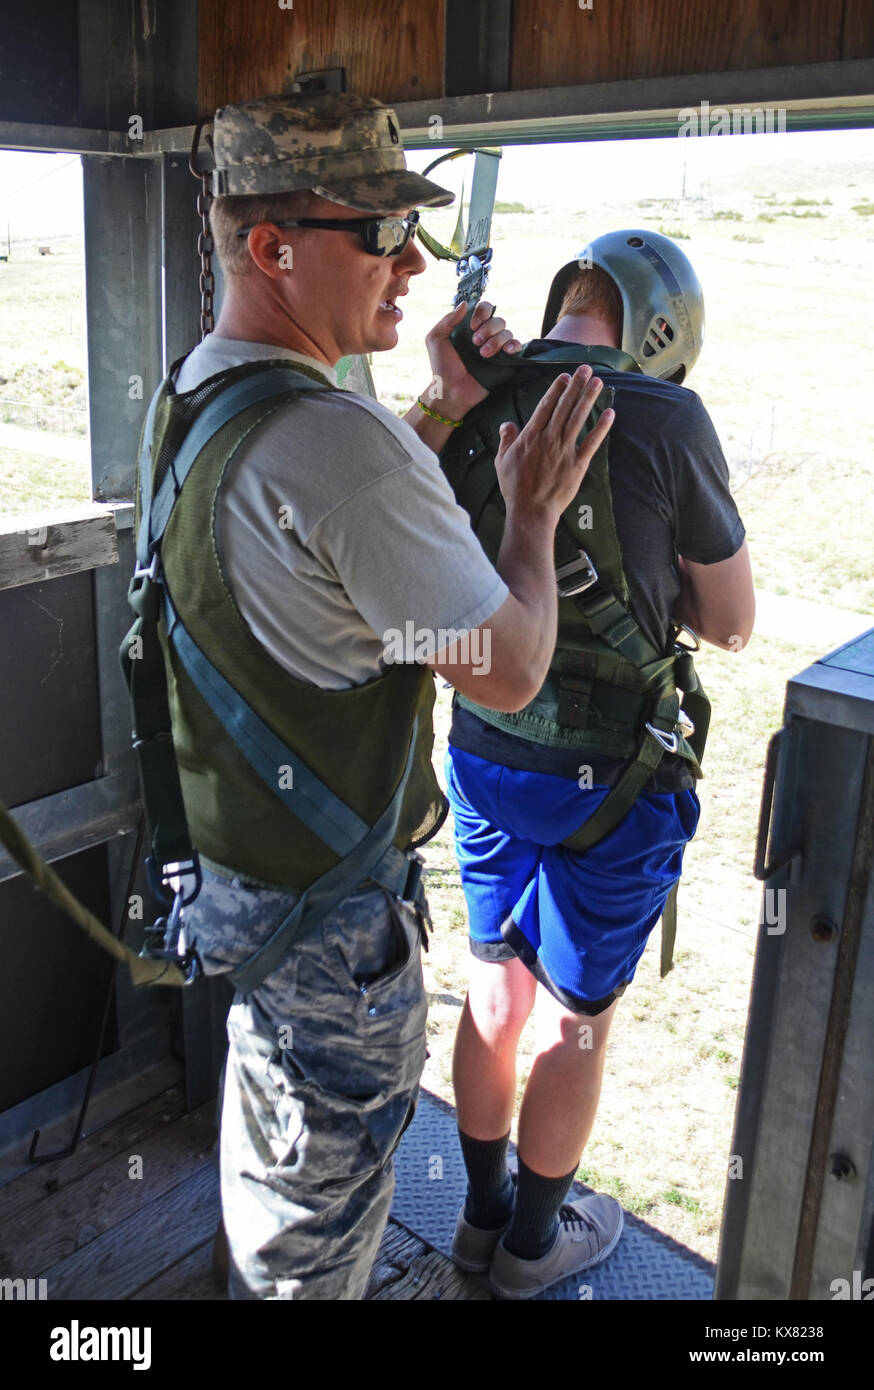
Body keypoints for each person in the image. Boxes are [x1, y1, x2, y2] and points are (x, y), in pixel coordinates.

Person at [142, 91, 614, 1300]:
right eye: (380, 233)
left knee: (274, 1159)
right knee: (316, 1243)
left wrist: (441, 413)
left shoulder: (201, 392)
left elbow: (321, 534)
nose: (412, 263)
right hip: (335, 931)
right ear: (272, 248)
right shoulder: (344, 447)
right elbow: (506, 663)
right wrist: (532, 514)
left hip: (240, 886)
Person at [440, 230, 755, 1299]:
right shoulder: (667, 417)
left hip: (486, 752)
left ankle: (475, 1219)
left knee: (493, 984)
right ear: (663, 330)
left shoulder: (472, 390)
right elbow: (731, 623)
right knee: (578, 1017)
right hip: (613, 780)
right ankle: (532, 1243)